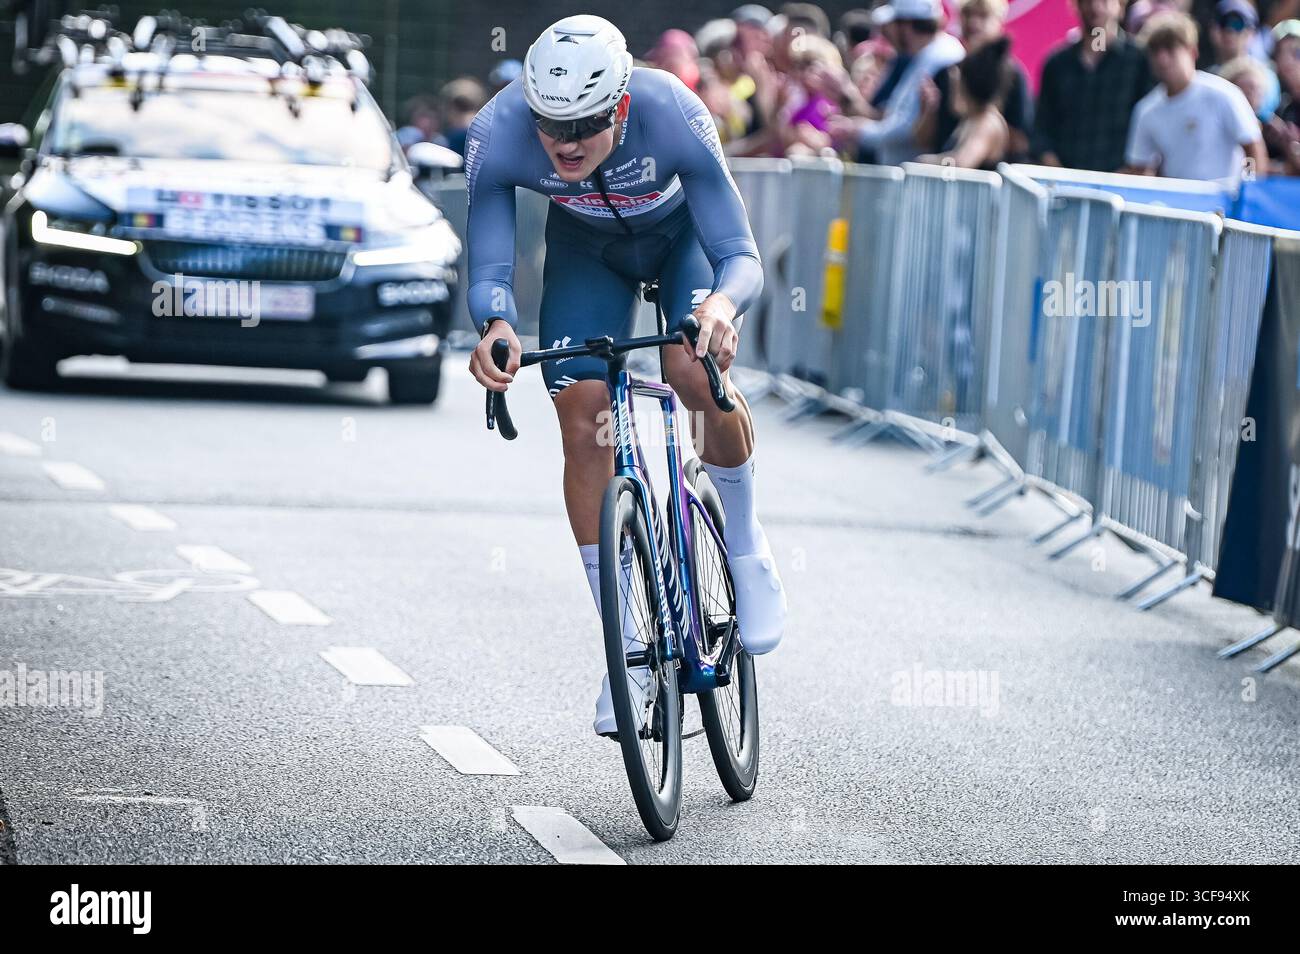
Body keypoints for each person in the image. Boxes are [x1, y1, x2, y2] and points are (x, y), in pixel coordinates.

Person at [464, 16, 788, 738]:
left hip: (683, 249)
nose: (565, 141)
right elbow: (487, 256)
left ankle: (743, 541)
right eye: (552, 123)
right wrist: (494, 323)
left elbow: (739, 250)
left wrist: (724, 308)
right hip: (587, 256)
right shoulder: (499, 128)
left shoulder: (671, 107)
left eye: (584, 122)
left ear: (621, 107)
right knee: (582, 422)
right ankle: (630, 656)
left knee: (689, 369)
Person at [1125, 11, 1267, 180]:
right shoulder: (1146, 110)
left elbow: (1253, 147)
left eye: (1170, 48)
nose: (1162, 58)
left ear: (1192, 51)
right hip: (1176, 205)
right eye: (1155, 50)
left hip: (1224, 204)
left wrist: (1248, 195)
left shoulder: (1224, 94)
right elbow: (1139, 170)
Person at [828, 0, 965, 164]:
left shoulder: (942, 59)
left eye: (892, 24)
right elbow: (897, 115)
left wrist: (859, 131)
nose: (887, 32)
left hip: (918, 179)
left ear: (905, 26)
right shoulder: (926, 54)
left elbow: (908, 128)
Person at [1034, 0, 1155, 171]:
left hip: (1123, 183)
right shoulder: (1056, 64)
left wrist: (1129, 172)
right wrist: (1057, 170)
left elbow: (1150, 125)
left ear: (1119, 7)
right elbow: (1041, 128)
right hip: (1064, 183)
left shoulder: (1140, 61)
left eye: (1104, 1)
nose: (1095, 7)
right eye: (1088, 1)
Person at [917, 0, 1034, 160]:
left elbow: (960, 163)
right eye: (967, 14)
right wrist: (929, 111)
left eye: (982, 16)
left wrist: (986, 135)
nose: (973, 22)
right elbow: (923, 140)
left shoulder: (1013, 77)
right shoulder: (946, 73)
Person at [918, 35, 1015, 168]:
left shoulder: (986, 123)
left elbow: (962, 162)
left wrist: (925, 162)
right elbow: (921, 140)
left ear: (965, 85)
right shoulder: (971, 119)